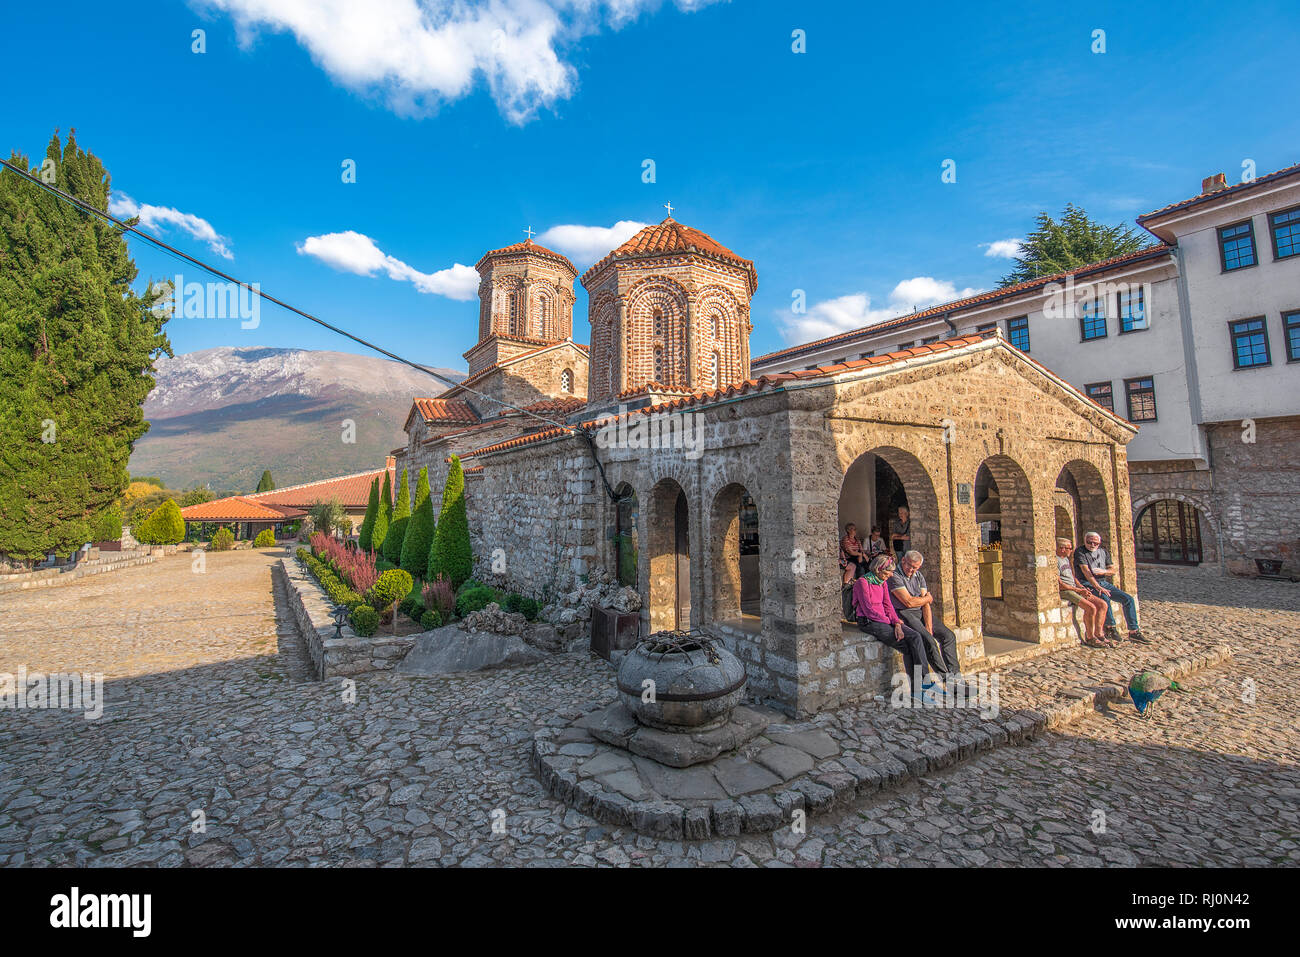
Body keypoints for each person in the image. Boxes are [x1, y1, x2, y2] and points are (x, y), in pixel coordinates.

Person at [853, 554, 942, 702]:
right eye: (888, 572)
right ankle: (917, 689)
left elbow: (888, 606)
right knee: (908, 646)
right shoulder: (863, 583)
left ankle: (925, 681)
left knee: (915, 637)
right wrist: (892, 623)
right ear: (879, 569)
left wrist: (897, 623)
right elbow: (869, 610)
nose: (890, 575)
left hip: (886, 620)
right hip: (870, 621)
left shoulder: (882, 582)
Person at [889, 550, 966, 686]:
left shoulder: (918, 576)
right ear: (903, 561)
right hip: (905, 613)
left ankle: (955, 675)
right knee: (929, 641)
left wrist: (929, 625)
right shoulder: (895, 576)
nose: (911, 570)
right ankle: (947, 680)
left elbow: (926, 604)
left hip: (920, 612)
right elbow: (908, 602)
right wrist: (926, 599)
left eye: (915, 568)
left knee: (948, 636)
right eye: (910, 566)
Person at [1074, 531, 1147, 643]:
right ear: (1085, 541)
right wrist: (1098, 587)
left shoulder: (1103, 552)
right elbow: (1086, 572)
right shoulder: (1080, 552)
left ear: (1099, 543)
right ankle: (1110, 628)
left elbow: (1112, 570)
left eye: (1095, 543)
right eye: (1089, 542)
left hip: (1104, 582)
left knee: (1128, 599)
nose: (1092, 545)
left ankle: (1133, 631)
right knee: (1104, 598)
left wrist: (1104, 571)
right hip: (1088, 583)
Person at [1057, 537, 1111, 647]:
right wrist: (1078, 590)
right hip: (1066, 591)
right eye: (1069, 548)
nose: (1071, 550)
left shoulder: (1066, 559)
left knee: (1102, 604)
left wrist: (1082, 587)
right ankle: (1090, 637)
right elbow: (1060, 585)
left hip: (1074, 588)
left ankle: (1098, 633)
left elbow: (1073, 577)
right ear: (1062, 548)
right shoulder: (1055, 561)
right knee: (1091, 607)